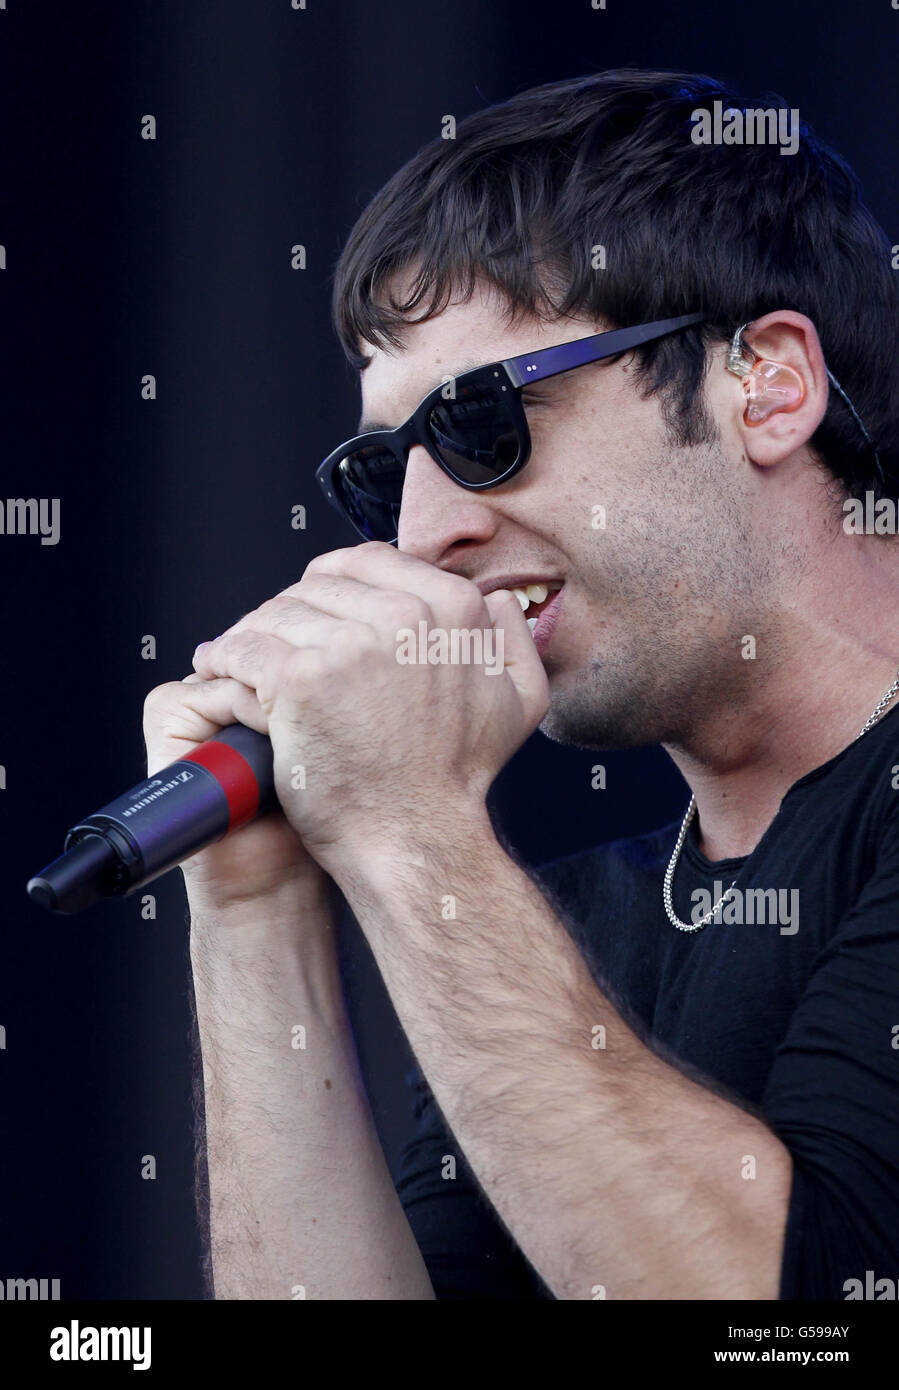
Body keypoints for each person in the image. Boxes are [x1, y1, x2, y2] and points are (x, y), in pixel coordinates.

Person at [143, 69, 899, 1300]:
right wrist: (254, 910)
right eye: (384, 473)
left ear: (763, 383)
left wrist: (408, 824)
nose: (424, 531)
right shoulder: (573, 927)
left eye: (485, 425)